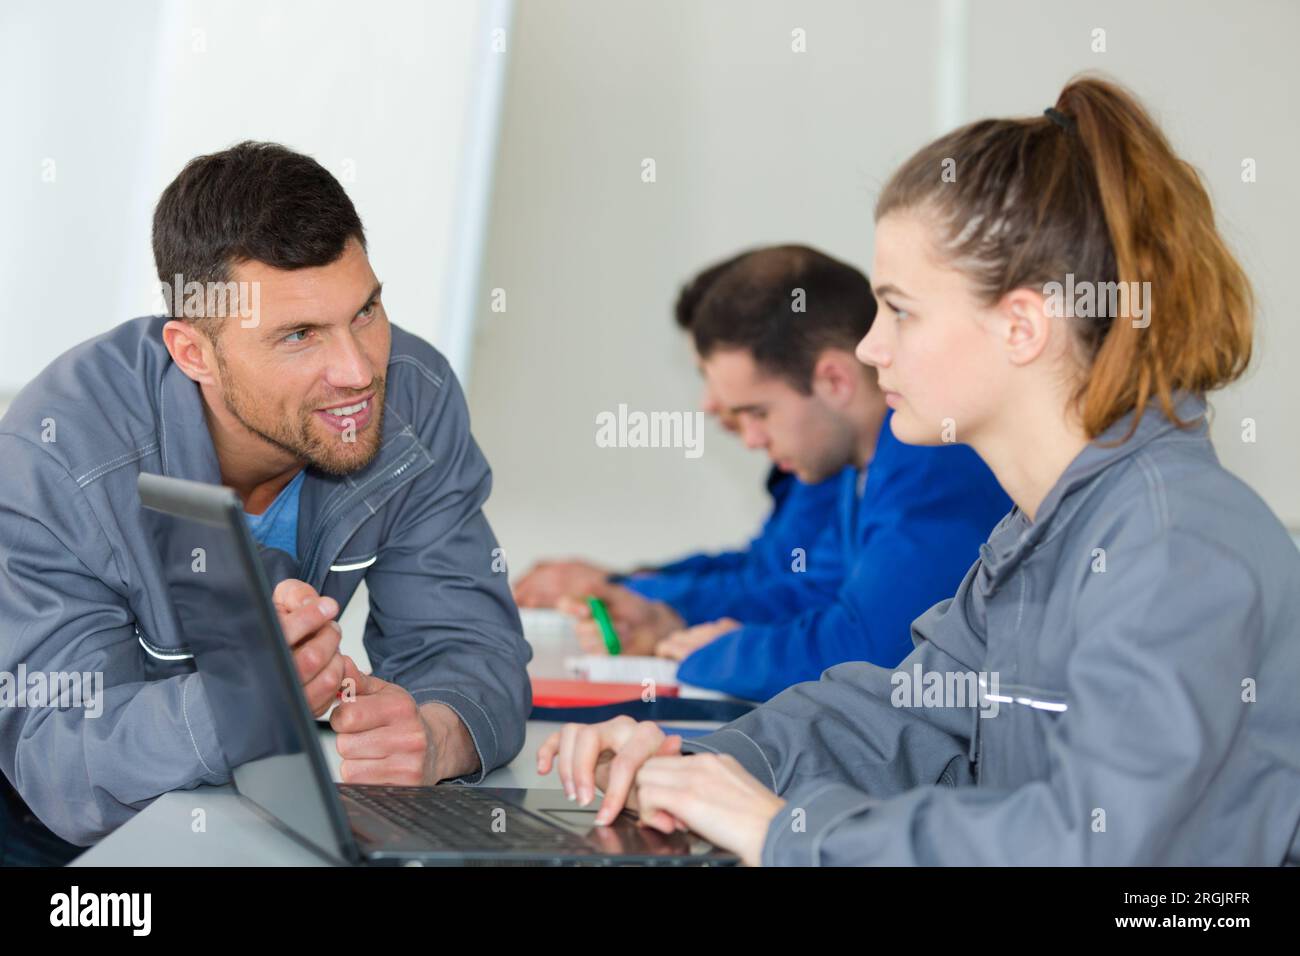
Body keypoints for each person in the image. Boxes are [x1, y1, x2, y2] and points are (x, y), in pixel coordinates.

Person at [537, 76, 1300, 865]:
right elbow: (904, 713)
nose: (870, 348)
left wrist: (791, 834)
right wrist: (706, 764)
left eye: (899, 309)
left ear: (1022, 326)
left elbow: (1094, 847)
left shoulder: (1173, 545)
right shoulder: (1036, 535)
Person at [0, 142, 531, 862]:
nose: (357, 371)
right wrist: (243, 698)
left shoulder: (414, 395)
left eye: (366, 311)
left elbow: (470, 645)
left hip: (250, 823)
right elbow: (61, 760)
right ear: (193, 354)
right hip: (52, 841)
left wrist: (437, 733)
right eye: (299, 336)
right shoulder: (56, 453)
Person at [559, 245, 1009, 702]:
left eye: (759, 412)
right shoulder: (862, 466)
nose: (750, 438)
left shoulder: (933, 459)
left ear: (834, 381)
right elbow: (812, 593)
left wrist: (705, 654)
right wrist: (669, 619)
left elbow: (870, 649)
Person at [512, 249, 845, 621]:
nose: (709, 402)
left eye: (711, 375)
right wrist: (623, 583)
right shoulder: (817, 454)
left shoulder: (832, 456)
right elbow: (760, 567)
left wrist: (621, 592)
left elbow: (784, 594)